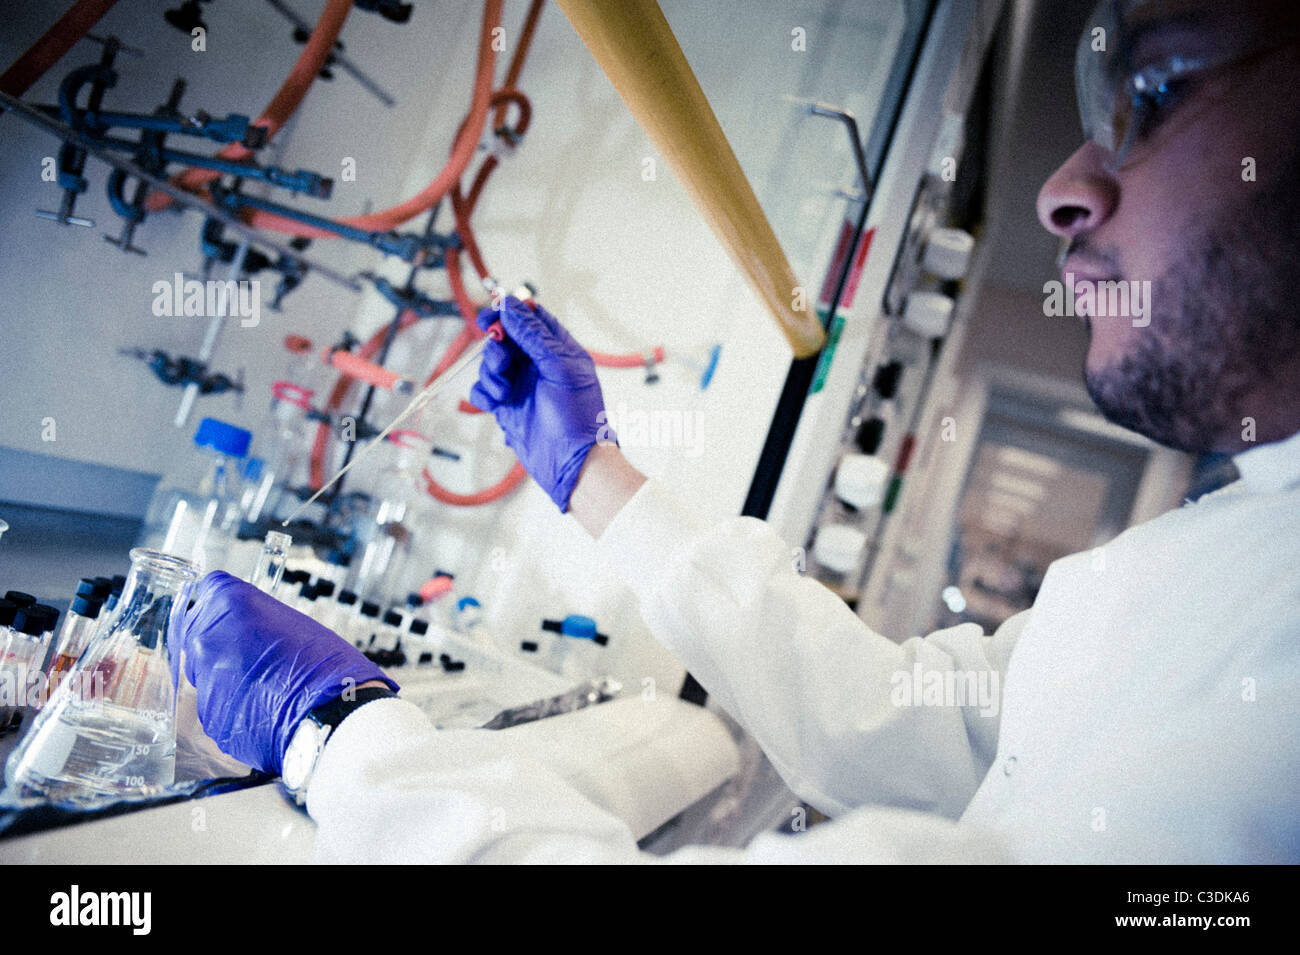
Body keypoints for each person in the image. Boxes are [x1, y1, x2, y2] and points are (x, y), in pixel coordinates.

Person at [176, 0, 1300, 863]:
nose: (1063, 188)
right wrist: (590, 473)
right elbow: (893, 722)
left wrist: (341, 737)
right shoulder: (1235, 544)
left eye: (1155, 88)